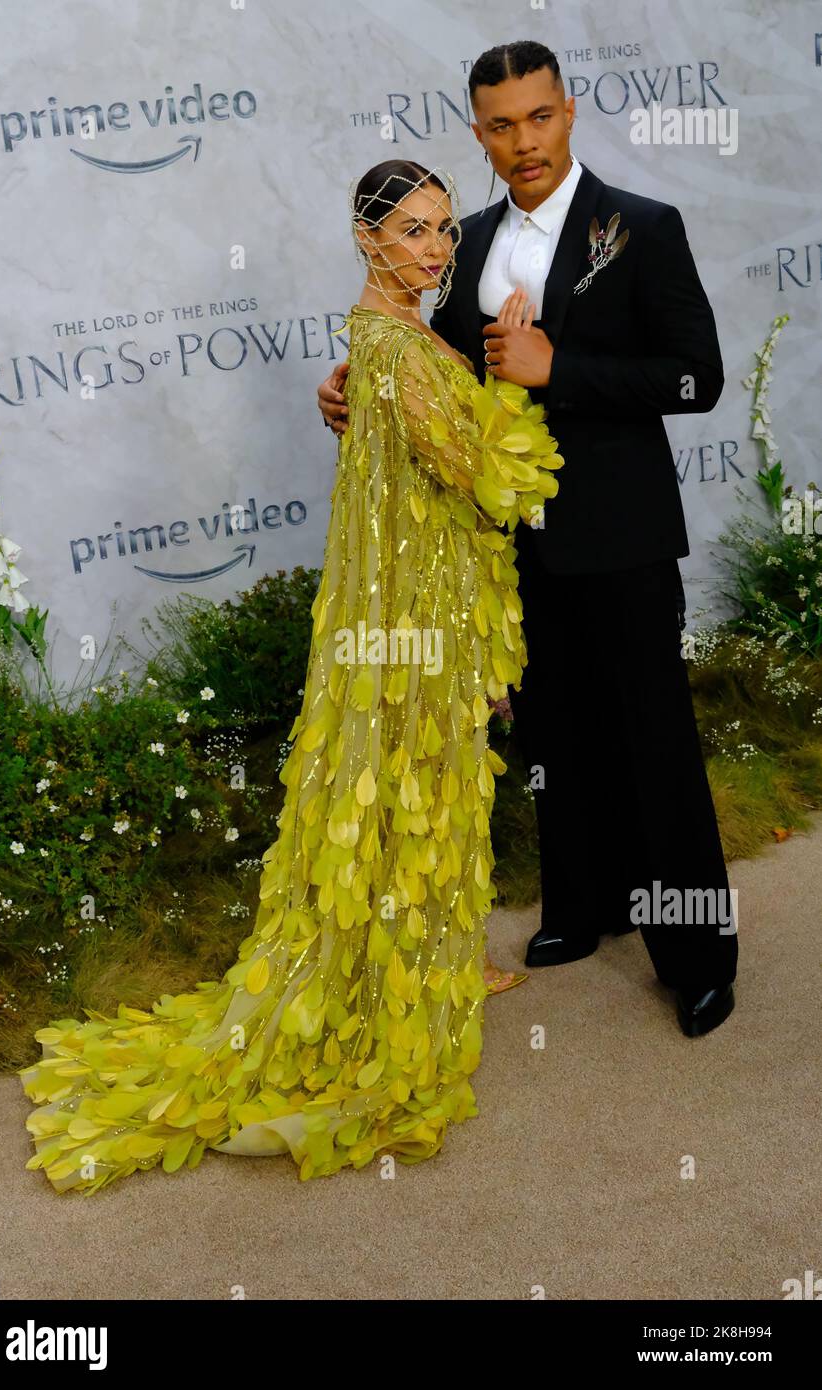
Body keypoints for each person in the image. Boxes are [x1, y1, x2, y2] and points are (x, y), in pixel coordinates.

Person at [17, 160, 564, 1193]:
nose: (435, 250)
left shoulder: (381, 345)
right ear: (364, 239)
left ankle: (433, 967)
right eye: (411, 231)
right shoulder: (396, 352)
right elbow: (496, 479)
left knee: (424, 797)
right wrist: (520, 384)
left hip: (416, 616)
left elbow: (416, 475)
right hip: (412, 631)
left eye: (443, 230)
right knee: (416, 795)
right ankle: (387, 994)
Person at [318, 41, 738, 1038]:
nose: (522, 142)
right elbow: (436, 375)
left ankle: (695, 955)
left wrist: (562, 368)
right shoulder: (458, 242)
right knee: (555, 737)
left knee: (653, 740)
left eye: (537, 117)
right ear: (479, 133)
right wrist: (353, 393)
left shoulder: (641, 228)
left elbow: (695, 376)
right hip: (509, 545)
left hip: (622, 537)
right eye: (499, 125)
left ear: (568, 111)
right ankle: (581, 908)